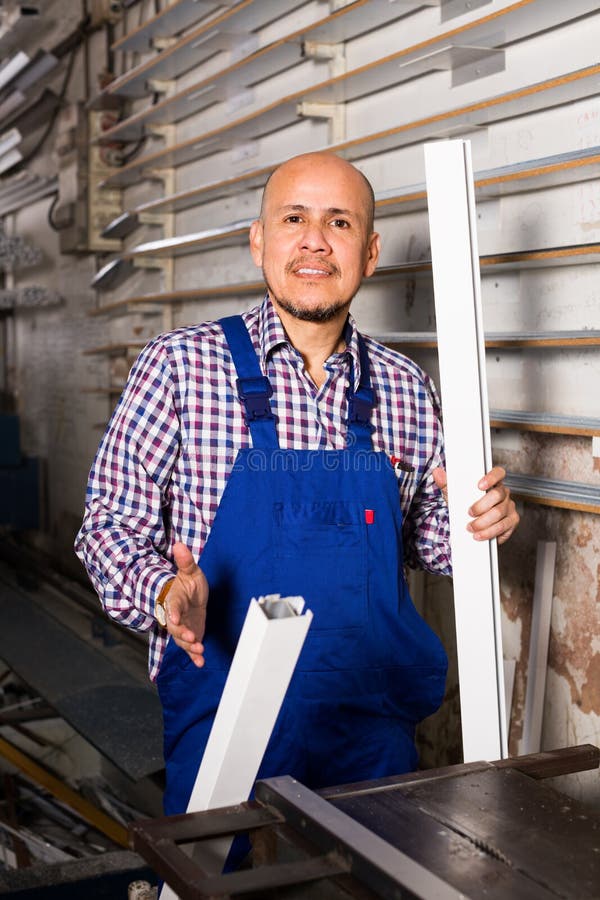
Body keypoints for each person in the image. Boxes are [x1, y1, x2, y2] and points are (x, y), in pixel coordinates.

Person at [75, 151, 519, 815]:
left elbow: (426, 540)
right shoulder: (180, 367)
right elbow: (107, 527)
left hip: (371, 727)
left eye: (339, 222)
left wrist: (480, 522)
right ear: (260, 241)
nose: (316, 240)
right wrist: (166, 592)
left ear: (368, 253)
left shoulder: (403, 387)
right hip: (223, 717)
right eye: (294, 218)